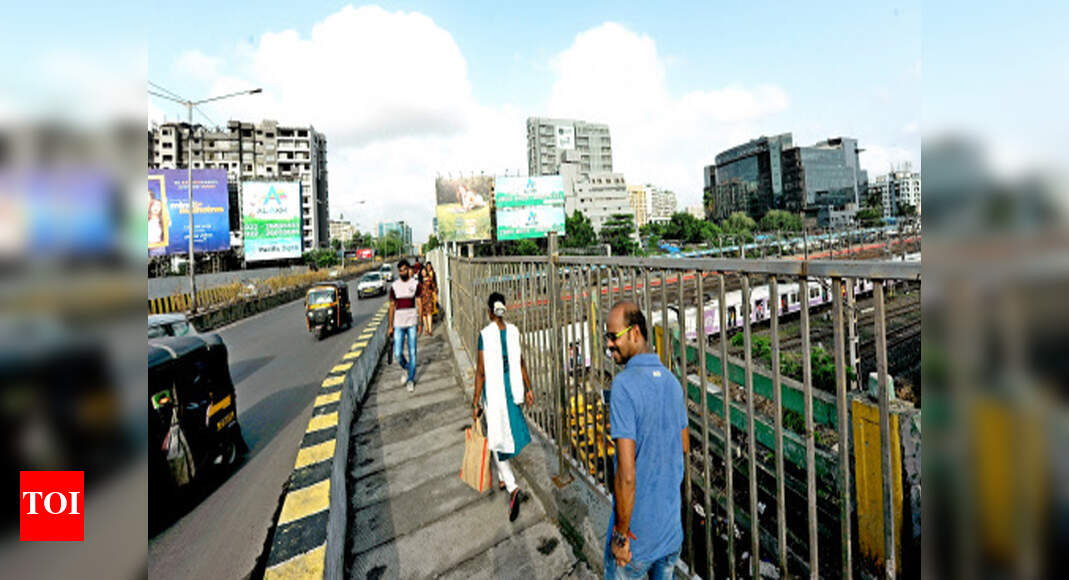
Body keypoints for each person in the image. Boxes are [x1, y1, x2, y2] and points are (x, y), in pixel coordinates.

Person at [603, 301, 689, 579]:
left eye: (613, 336)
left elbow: (627, 476)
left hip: (637, 541)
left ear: (635, 333)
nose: (608, 344)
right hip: (670, 534)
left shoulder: (623, 386)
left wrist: (620, 537)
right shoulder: (672, 383)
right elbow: (684, 446)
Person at [471, 292, 534, 522]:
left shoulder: (485, 336)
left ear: (489, 311)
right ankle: (501, 476)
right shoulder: (514, 331)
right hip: (513, 387)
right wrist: (528, 388)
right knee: (504, 433)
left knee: (496, 437)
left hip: (495, 391)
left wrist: (475, 400)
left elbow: (480, 372)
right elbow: (521, 361)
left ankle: (512, 487)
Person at [387, 258, 422, 392]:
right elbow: (391, 307)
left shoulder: (416, 284)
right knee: (397, 353)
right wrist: (390, 326)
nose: (402, 272)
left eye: (405, 269)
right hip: (398, 324)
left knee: (413, 352)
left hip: (412, 322)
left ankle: (410, 379)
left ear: (409, 270)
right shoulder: (394, 286)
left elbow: (419, 303)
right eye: (400, 270)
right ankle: (408, 368)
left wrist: (420, 323)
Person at [419, 262, 438, 336]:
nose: (423, 273)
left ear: (426, 272)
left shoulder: (430, 279)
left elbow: (434, 288)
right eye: (422, 272)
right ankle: (426, 328)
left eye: (424, 271)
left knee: (429, 313)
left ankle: (430, 329)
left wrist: (435, 296)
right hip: (422, 299)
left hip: (429, 298)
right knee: (424, 315)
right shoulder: (419, 282)